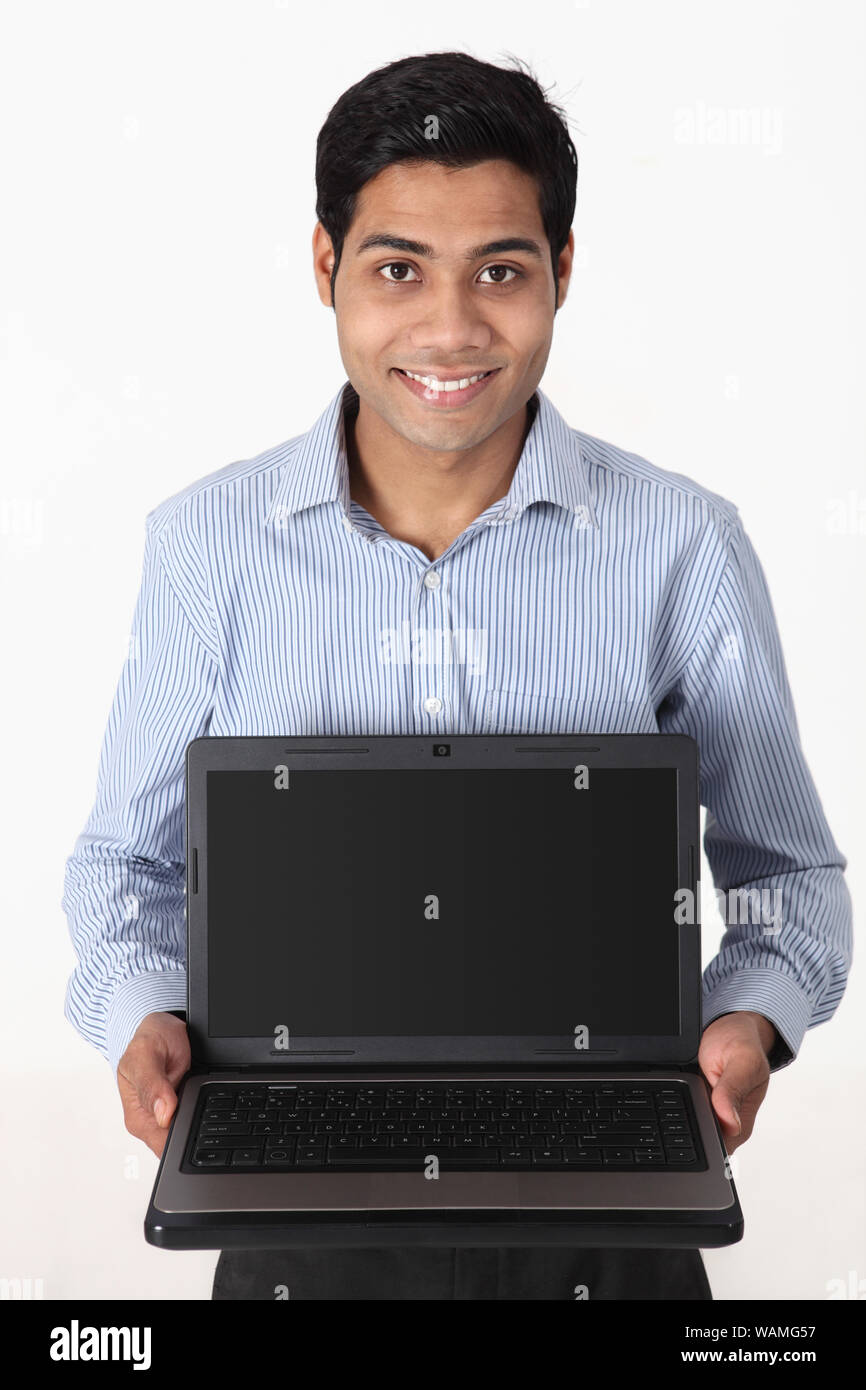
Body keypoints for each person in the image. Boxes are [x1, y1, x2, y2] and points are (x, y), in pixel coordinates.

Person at [62, 51, 851, 1301]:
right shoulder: (204, 545)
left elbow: (786, 877)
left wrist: (743, 1022)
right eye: (395, 269)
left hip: (608, 1217)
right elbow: (125, 867)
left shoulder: (681, 544)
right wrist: (145, 1016)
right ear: (324, 267)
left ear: (562, 272)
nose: (448, 328)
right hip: (297, 1212)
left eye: (499, 270)